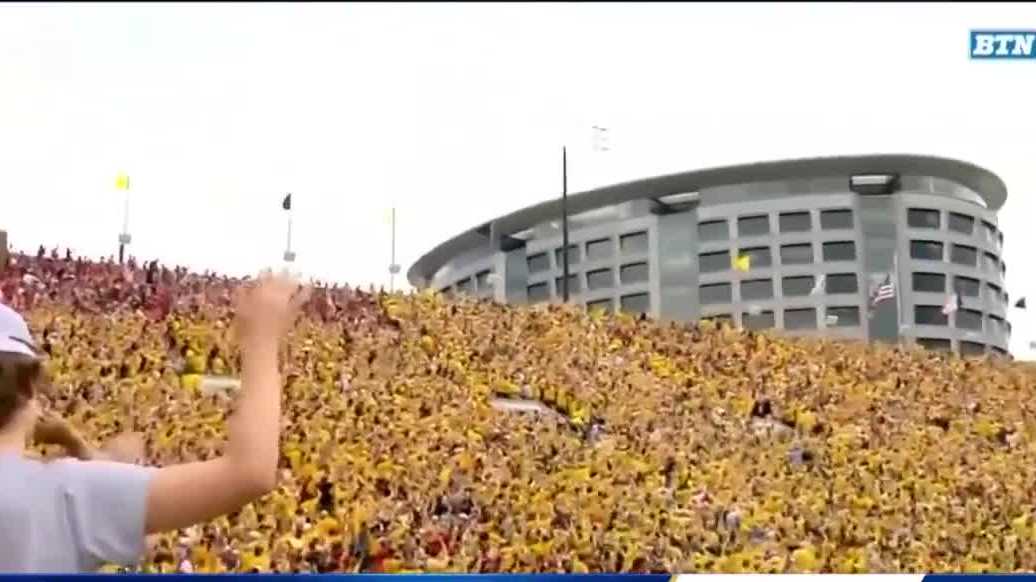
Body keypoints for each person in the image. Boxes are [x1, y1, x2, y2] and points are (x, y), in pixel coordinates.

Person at [0, 272, 309, 572]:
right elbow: (250, 472)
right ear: (30, 386)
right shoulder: (65, 492)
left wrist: (78, 445)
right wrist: (262, 339)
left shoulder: (65, 487)